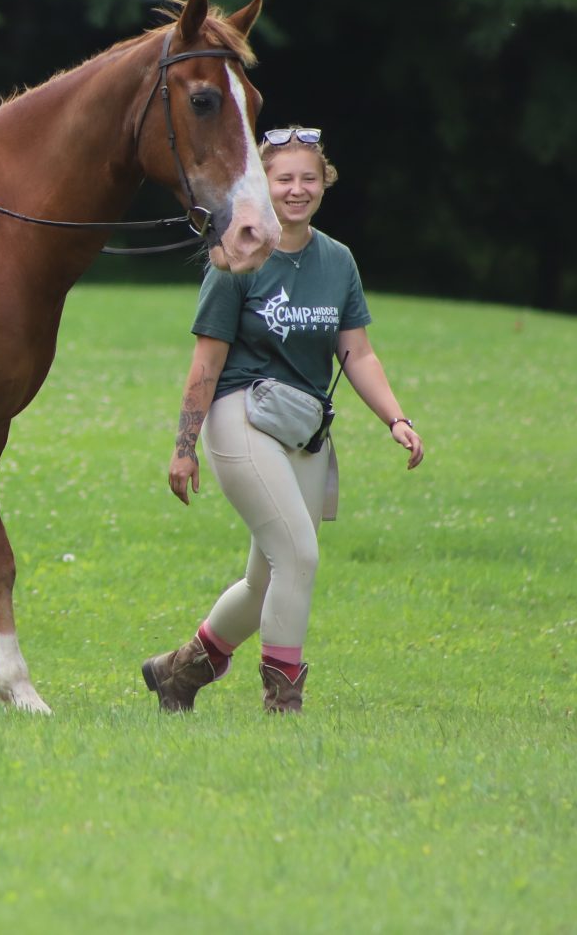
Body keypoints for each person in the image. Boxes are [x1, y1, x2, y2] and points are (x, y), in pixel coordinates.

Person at [141, 126, 425, 714]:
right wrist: (184, 447)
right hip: (239, 415)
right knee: (297, 555)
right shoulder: (237, 257)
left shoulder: (337, 260)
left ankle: (179, 673)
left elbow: (357, 353)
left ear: (324, 184)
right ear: (261, 184)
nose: (297, 189)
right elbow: (206, 362)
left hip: (304, 428)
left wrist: (395, 418)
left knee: (265, 580)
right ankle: (283, 704)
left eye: (308, 179)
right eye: (284, 178)